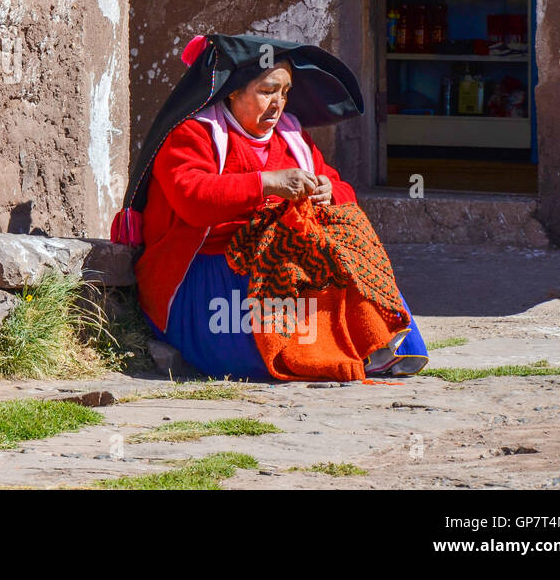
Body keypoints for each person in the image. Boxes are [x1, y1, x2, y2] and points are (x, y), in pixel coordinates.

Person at [111, 34, 428, 381]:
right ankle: (352, 351)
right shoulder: (194, 134)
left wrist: (329, 191)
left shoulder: (291, 136)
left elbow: (341, 187)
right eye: (267, 91)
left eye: (285, 92)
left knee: (344, 238)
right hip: (205, 276)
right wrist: (266, 183)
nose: (278, 103)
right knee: (293, 265)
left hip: (271, 263)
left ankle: (382, 345)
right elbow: (193, 198)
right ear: (232, 90)